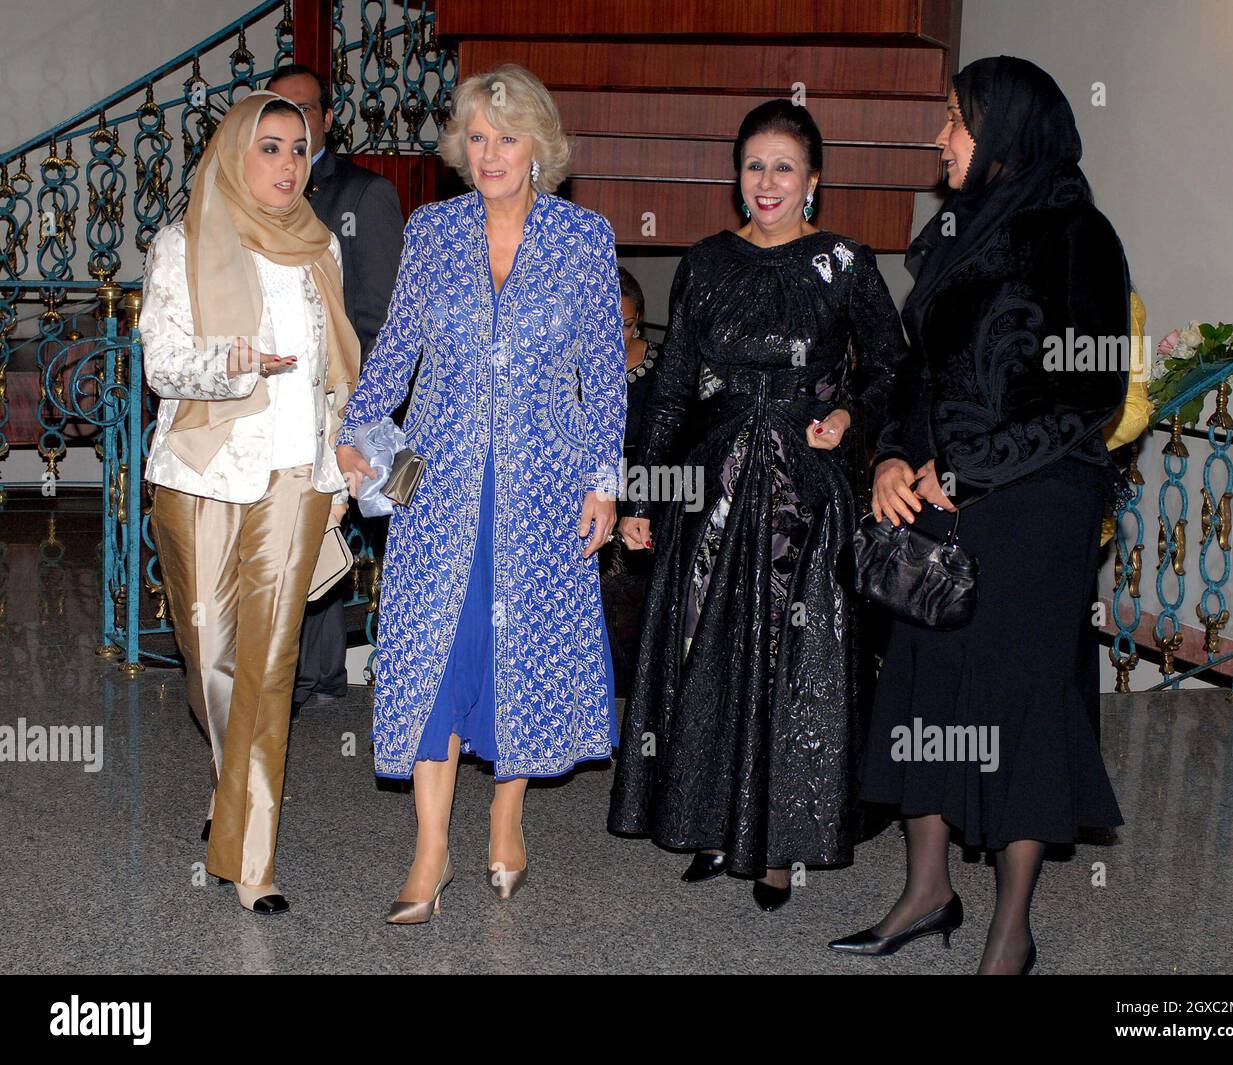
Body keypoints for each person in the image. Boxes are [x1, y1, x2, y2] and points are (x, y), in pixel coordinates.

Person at [829, 56, 1128, 973]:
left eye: (956, 120)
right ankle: (926, 892)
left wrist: (965, 469)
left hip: (1036, 506)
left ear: (1006, 129)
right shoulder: (959, 229)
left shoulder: (1078, 233)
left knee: (1017, 704)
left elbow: (1093, 392)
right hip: (936, 493)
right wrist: (885, 454)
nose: (939, 137)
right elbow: (920, 366)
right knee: (921, 682)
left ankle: (1011, 929)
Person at [334, 64, 625, 923]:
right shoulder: (433, 230)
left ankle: (507, 816)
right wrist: (357, 422)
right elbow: (397, 349)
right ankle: (431, 848)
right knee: (430, 652)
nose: (489, 152)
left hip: (542, 479)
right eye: (477, 137)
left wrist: (605, 481)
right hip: (439, 478)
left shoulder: (584, 238)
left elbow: (605, 377)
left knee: (521, 655)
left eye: (507, 137)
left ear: (542, 146)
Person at [607, 100, 909, 912]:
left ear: (812, 179)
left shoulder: (844, 261)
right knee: (707, 653)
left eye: (784, 166)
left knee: (791, 663)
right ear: (736, 177)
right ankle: (711, 821)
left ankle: (779, 844)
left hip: (805, 493)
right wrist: (643, 487)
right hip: (712, 488)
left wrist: (850, 417)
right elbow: (671, 390)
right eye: (753, 166)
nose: (767, 182)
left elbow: (891, 367)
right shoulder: (705, 263)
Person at [140, 91, 359, 914]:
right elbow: (163, 364)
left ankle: (253, 853)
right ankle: (231, 788)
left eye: (298, 149)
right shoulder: (183, 241)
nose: (286, 165)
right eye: (269, 147)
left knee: (270, 667)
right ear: (236, 152)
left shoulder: (318, 249)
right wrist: (238, 362)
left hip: (297, 479)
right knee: (210, 656)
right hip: (203, 473)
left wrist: (336, 483)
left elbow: (339, 370)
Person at [266, 63, 405, 717]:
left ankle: (318, 679)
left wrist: (362, 408)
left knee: (325, 526)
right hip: (270, 399)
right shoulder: (258, 191)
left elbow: (381, 316)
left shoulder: (362, 195)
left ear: (325, 117)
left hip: (342, 396)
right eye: (278, 109)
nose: (293, 121)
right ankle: (284, 674)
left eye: (304, 109)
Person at [599, 265, 661, 699]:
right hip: (590, 493)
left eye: (623, 323)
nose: (614, 335)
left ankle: (635, 698)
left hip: (652, 489)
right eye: (604, 323)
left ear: (638, 318)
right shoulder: (573, 370)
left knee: (635, 603)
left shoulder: (663, 366)